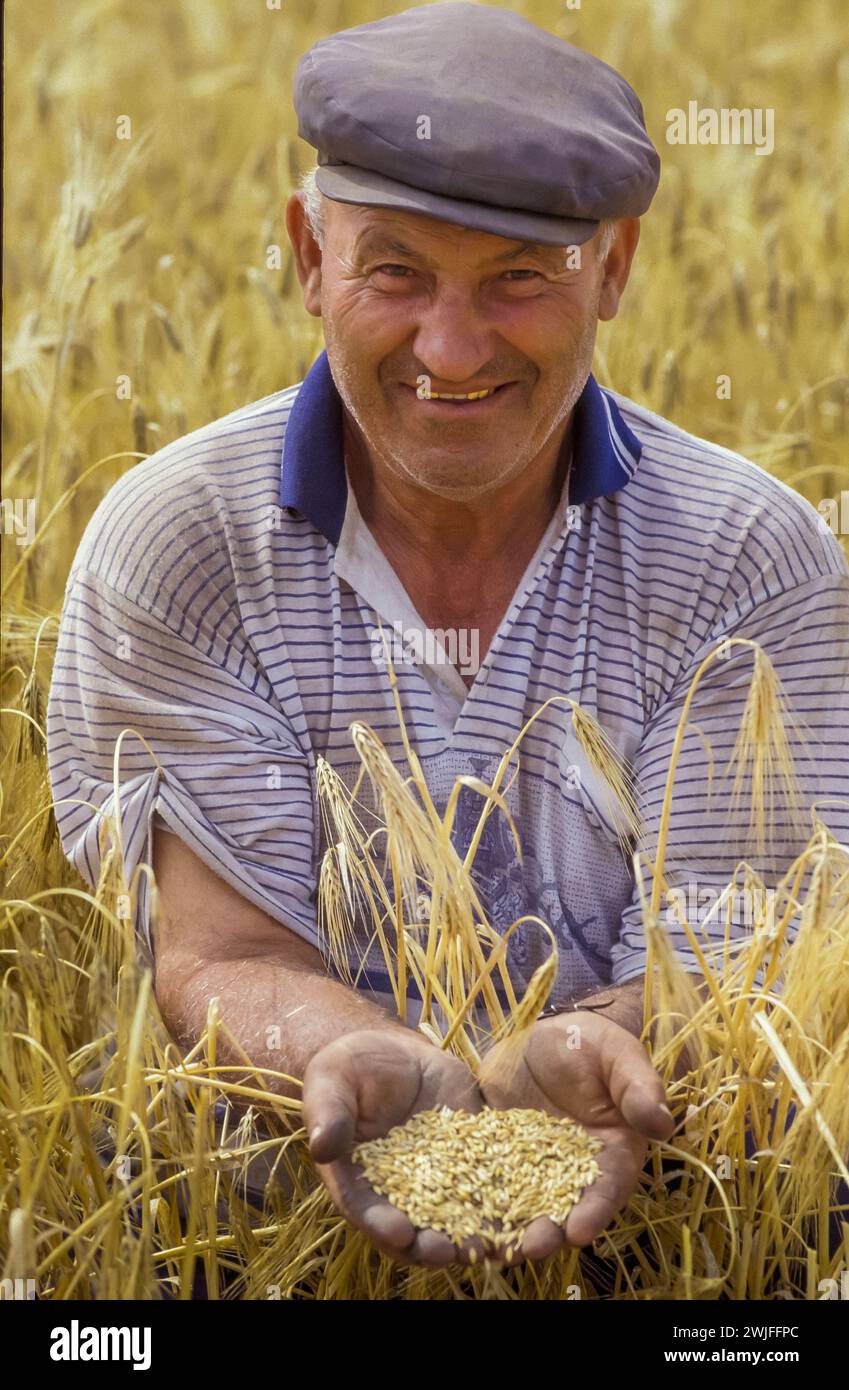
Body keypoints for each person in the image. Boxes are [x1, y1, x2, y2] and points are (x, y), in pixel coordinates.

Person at [46, 3, 849, 1270]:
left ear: (617, 268)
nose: (452, 348)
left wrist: (601, 1041)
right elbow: (226, 950)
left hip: (672, 1260)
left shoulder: (748, 559)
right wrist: (336, 1048)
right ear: (309, 255)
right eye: (396, 272)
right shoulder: (182, 546)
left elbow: (737, 957)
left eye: (520, 278)